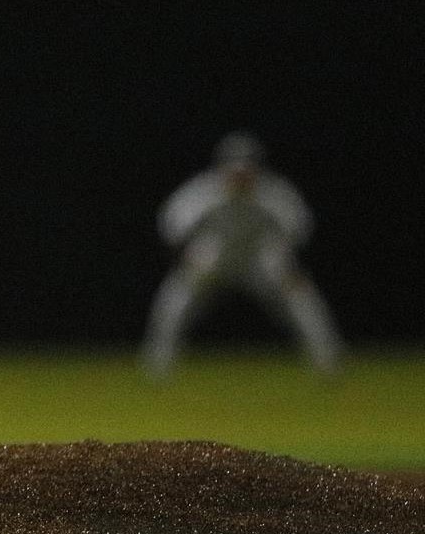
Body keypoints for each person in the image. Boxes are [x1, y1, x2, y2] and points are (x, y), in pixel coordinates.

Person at [140, 132, 344, 380]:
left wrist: (286, 258)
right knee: (176, 296)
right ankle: (157, 364)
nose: (240, 178)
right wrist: (185, 254)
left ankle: (327, 361)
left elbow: (298, 225)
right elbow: (172, 223)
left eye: (246, 171)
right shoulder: (204, 190)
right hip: (216, 251)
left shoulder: (272, 192)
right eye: (235, 172)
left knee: (300, 294)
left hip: (260, 254)